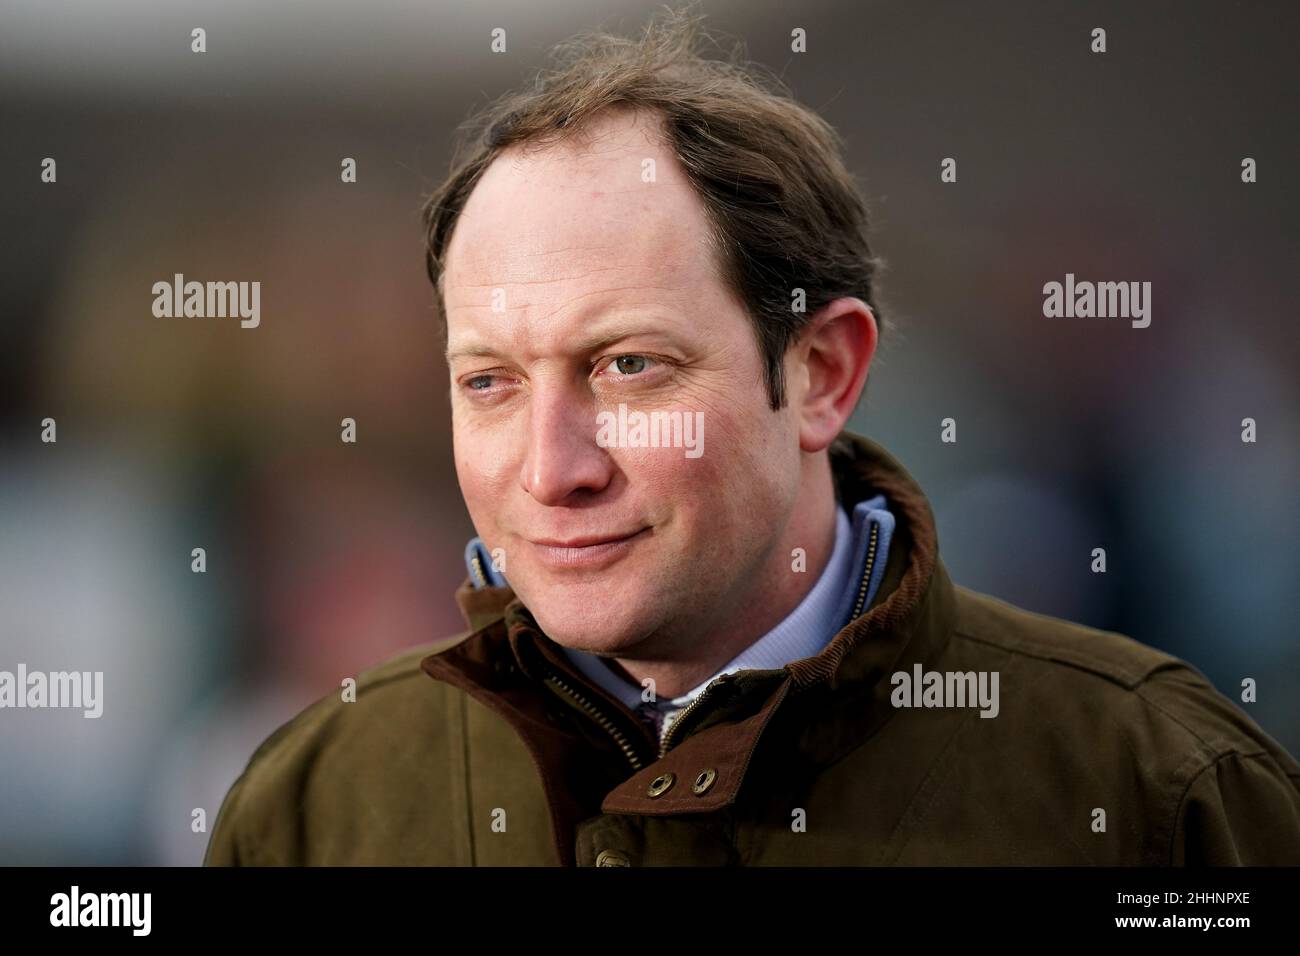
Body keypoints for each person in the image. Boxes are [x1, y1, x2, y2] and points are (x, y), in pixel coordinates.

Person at [204, 9, 1300, 866]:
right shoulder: (315, 799)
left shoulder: (1159, 785)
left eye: (627, 365)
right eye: (487, 381)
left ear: (821, 373)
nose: (549, 467)